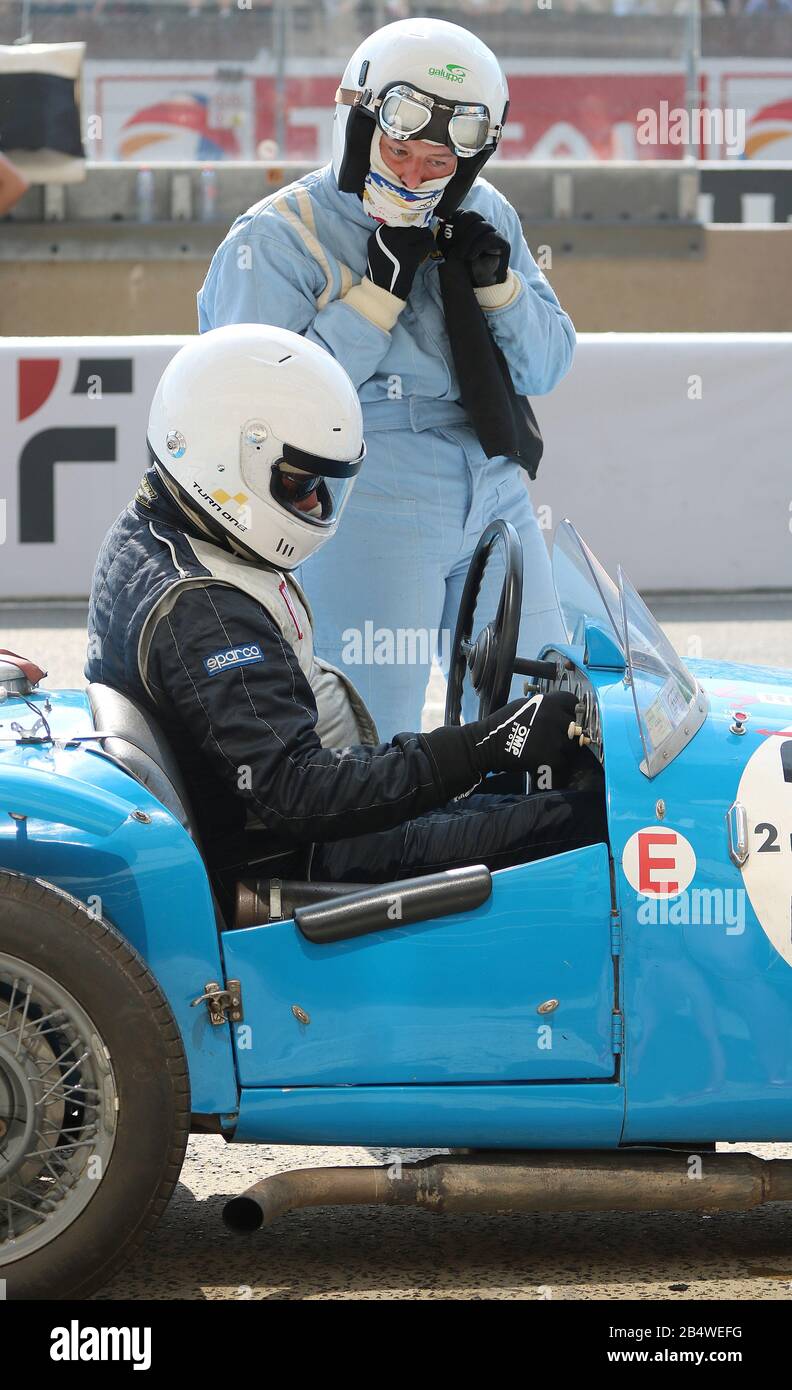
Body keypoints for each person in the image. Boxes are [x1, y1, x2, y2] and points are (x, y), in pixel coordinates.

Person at [85, 326, 605, 902]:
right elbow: (297, 792)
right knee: (585, 822)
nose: (314, 504)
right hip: (295, 858)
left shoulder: (152, 532)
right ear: (222, 458)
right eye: (300, 483)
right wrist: (484, 745)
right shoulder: (206, 613)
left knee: (532, 795)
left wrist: (483, 752)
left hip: (290, 823)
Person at [197, 16, 574, 739]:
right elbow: (256, 410)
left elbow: (549, 366)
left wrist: (503, 291)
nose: (413, 175)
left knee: (540, 710)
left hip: (493, 477)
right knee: (372, 727)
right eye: (399, 150)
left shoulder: (484, 211)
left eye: (438, 164)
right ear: (357, 124)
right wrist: (373, 299)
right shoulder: (277, 237)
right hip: (365, 487)